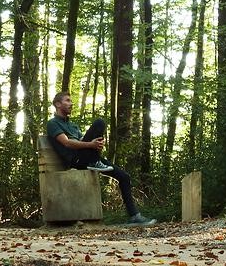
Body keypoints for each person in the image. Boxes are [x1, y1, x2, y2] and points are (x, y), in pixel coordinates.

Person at [46, 91, 156, 226]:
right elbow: (67, 143)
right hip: (75, 161)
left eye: (71, 101)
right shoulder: (53, 123)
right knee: (99, 122)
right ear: (58, 104)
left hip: (87, 158)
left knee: (124, 176)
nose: (71, 103)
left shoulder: (73, 125)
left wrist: (96, 145)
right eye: (67, 100)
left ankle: (134, 216)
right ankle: (94, 161)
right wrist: (91, 145)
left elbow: (82, 140)